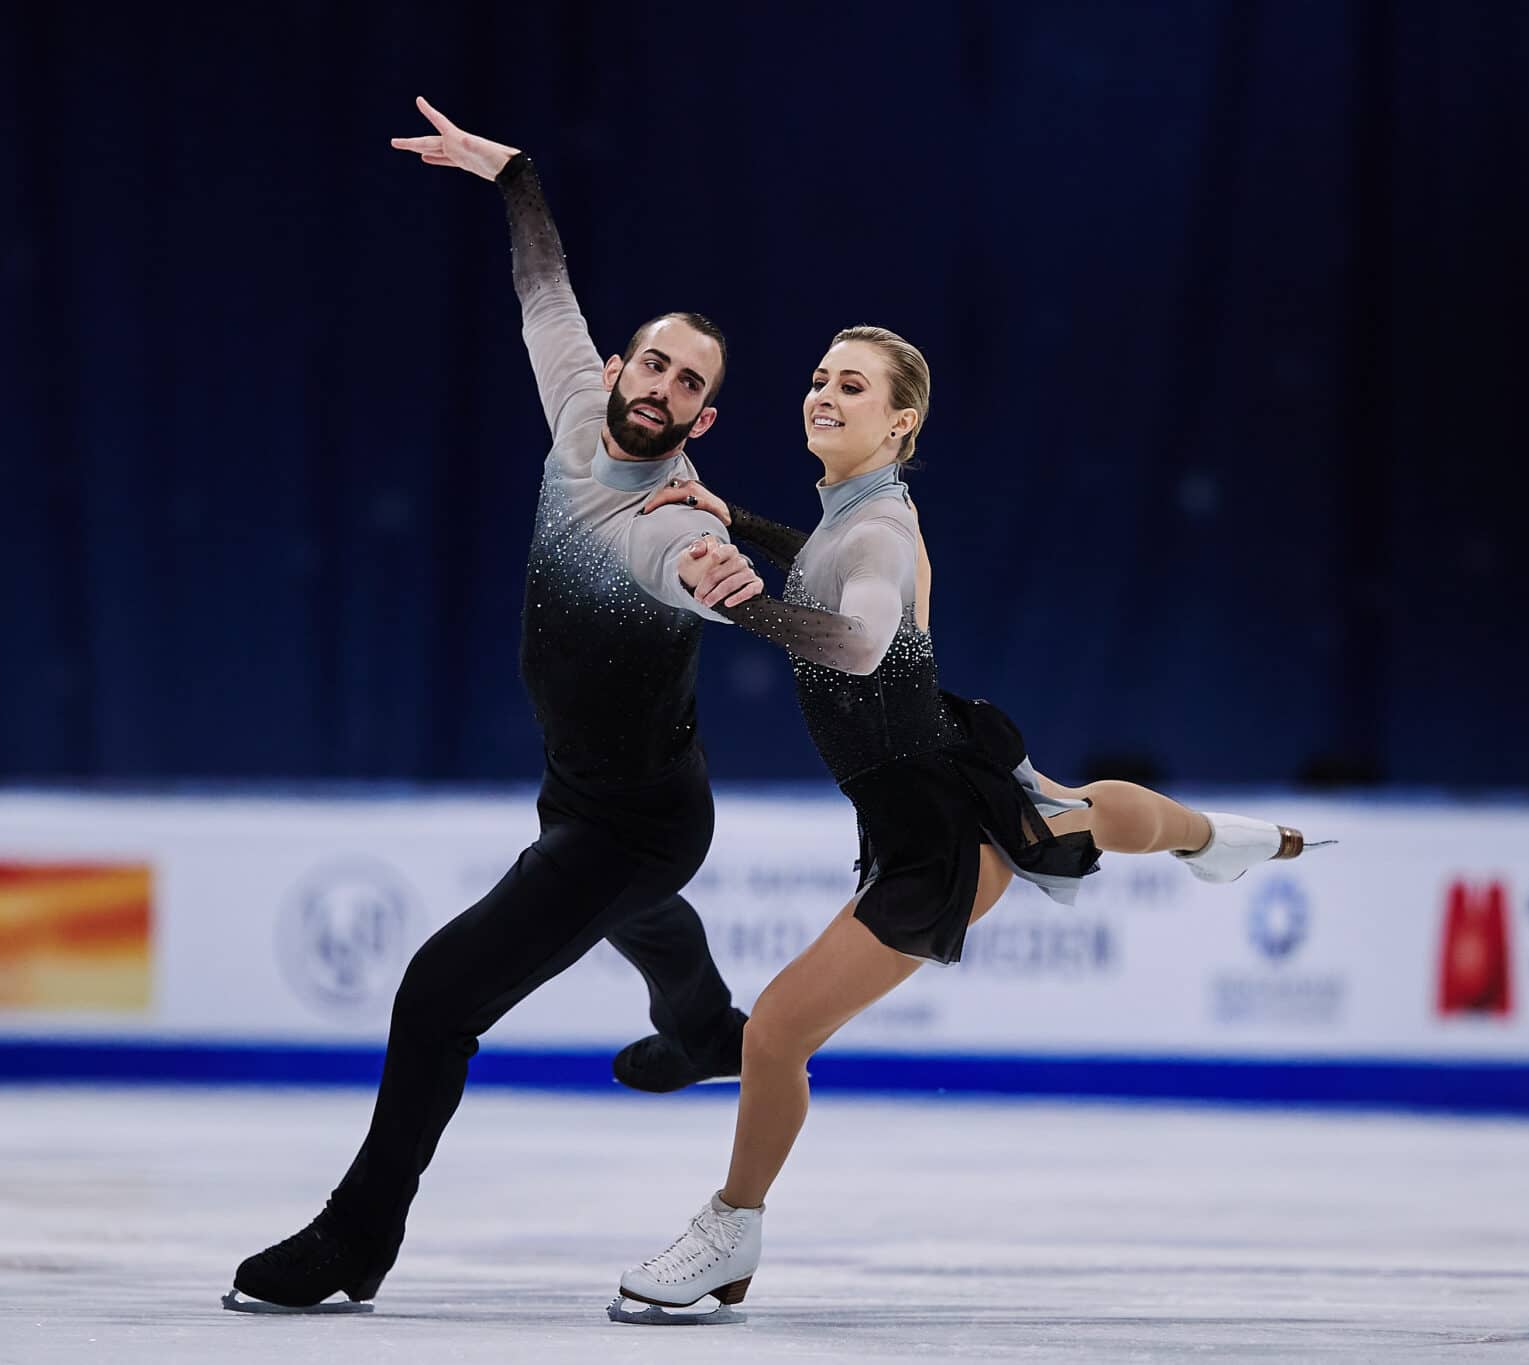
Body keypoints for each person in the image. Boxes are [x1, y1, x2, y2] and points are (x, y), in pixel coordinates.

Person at [608, 325, 1328, 1323]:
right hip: (946, 766)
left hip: (930, 833)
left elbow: (856, 637)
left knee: (772, 1034)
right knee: (1070, 816)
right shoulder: (858, 512)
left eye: (850, 386)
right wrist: (735, 519)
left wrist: (744, 605)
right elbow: (822, 564)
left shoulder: (877, 534)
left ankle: (732, 1231)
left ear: (898, 422)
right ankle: (1216, 841)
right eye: (818, 378)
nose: (822, 394)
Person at [224, 98, 770, 1313]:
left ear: (702, 420)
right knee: (641, 917)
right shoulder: (580, 405)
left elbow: (695, 574)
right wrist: (513, 173)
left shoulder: (669, 519)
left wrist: (734, 588)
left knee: (437, 994)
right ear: (623, 367)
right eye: (656, 361)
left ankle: (354, 1238)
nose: (663, 386)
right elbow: (543, 287)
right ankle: (709, 1032)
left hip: (629, 820)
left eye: (691, 385)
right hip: (603, 791)